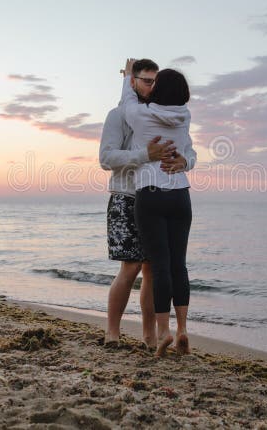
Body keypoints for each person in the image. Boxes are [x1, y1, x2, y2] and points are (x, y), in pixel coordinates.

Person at [99, 58, 192, 349]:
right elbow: (106, 158)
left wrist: (185, 161)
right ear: (133, 81)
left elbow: (189, 149)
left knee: (154, 270)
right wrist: (144, 155)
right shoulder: (119, 115)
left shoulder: (161, 112)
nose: (151, 86)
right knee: (130, 268)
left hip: (154, 196)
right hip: (127, 197)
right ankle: (112, 333)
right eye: (146, 81)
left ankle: (152, 337)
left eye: (155, 82)